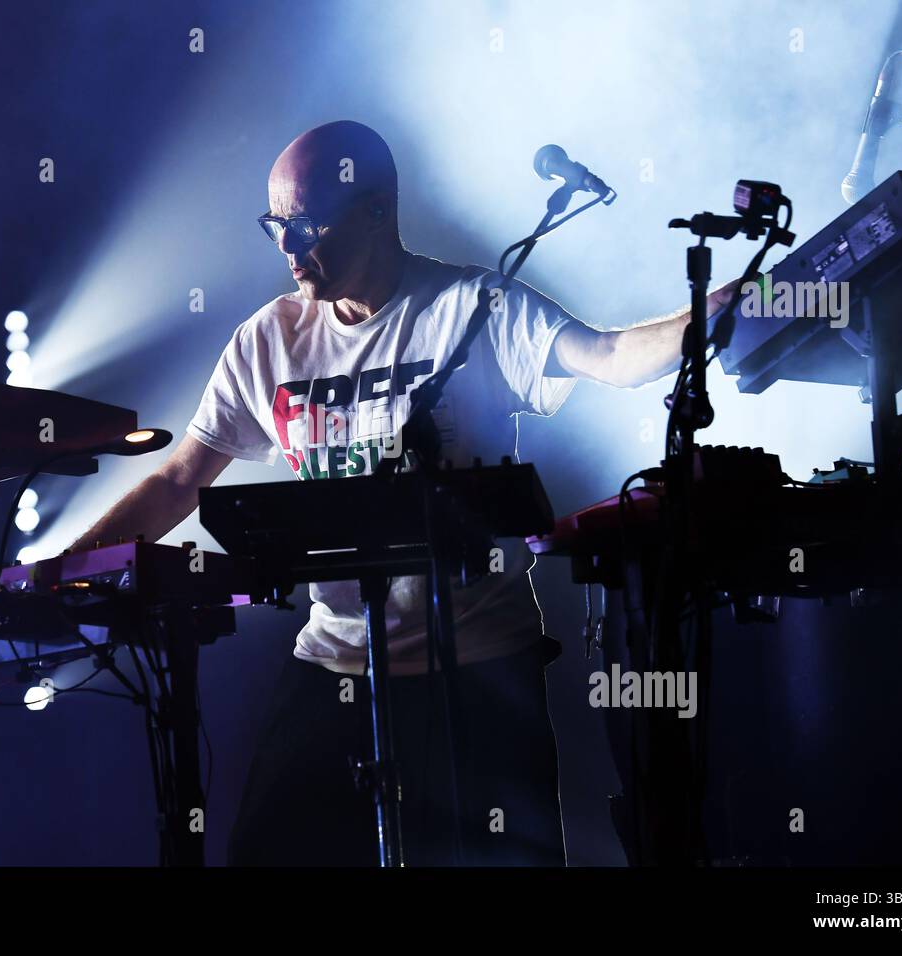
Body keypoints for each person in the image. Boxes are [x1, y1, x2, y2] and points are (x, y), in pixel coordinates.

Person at [74, 120, 735, 865]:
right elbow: (179, 478)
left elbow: (610, 356)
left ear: (376, 211)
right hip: (337, 661)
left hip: (480, 667)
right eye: (276, 227)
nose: (289, 249)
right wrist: (67, 568)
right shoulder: (269, 339)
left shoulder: (474, 306)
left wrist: (719, 310)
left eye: (307, 225)